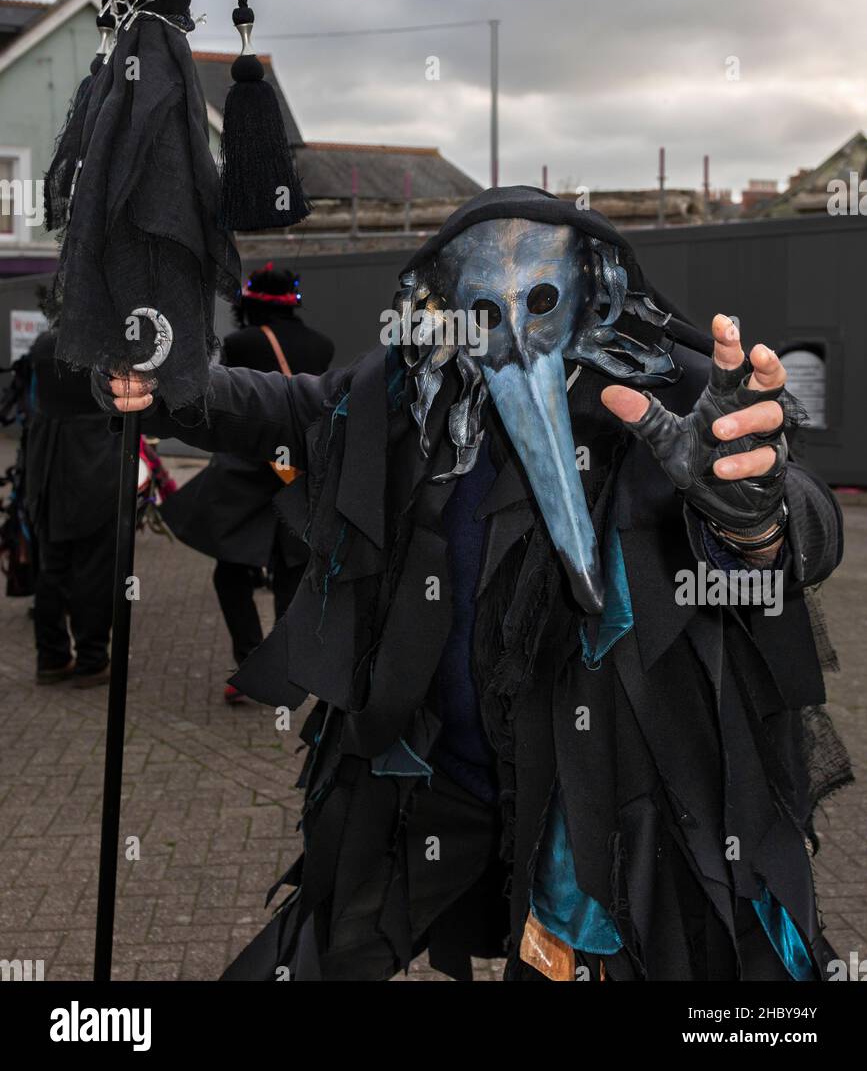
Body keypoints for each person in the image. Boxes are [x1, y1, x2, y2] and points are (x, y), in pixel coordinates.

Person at [99, 187, 851, 982]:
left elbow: (802, 514)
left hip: (606, 808)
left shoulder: (675, 391)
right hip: (433, 779)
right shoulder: (408, 392)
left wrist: (751, 519)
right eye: (485, 310)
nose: (518, 338)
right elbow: (290, 408)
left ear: (590, 285)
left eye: (540, 299)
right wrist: (173, 386)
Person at [160, 265, 333, 699]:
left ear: (249, 303)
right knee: (292, 574)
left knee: (231, 571)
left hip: (246, 475)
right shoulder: (322, 346)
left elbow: (234, 405)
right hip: (301, 475)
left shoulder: (240, 343)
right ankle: (285, 667)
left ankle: (249, 659)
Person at [29, 328, 121, 687]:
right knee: (95, 572)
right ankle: (92, 658)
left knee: (53, 569)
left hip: (48, 463)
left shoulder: (43, 343)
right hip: (93, 464)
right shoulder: (102, 345)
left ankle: (51, 657)